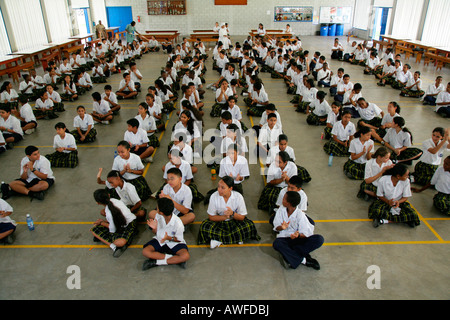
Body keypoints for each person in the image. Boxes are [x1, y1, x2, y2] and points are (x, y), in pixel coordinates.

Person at [197, 176, 260, 249]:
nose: (219, 190)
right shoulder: (214, 196)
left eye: (222, 188)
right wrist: (225, 217)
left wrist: (232, 214)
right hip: (220, 221)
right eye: (218, 187)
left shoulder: (238, 197)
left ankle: (218, 239)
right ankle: (237, 238)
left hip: (234, 220)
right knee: (204, 226)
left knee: (249, 225)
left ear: (230, 188)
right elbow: (211, 217)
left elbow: (242, 217)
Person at [272, 191, 323, 270]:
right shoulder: (281, 209)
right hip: (285, 238)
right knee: (277, 243)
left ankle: (290, 255)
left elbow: (306, 233)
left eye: (284, 199)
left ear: (289, 203)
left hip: (297, 239)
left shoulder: (300, 215)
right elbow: (276, 227)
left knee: (319, 239)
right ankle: (304, 260)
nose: (282, 200)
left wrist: (298, 235)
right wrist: (282, 227)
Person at [142, 197, 190, 270]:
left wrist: (168, 238)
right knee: (145, 251)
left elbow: (179, 239)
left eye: (157, 208)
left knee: (185, 256)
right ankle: (174, 259)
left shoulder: (178, 223)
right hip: (160, 241)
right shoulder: (158, 216)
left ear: (161, 212)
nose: (156, 208)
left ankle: (156, 262)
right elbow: (155, 232)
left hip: (174, 242)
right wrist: (154, 228)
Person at [369, 164, 420, 228]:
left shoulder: (406, 181)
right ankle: (404, 220)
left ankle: (384, 221)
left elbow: (405, 197)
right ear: (398, 176)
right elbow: (379, 195)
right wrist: (388, 202)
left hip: (399, 202)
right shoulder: (383, 180)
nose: (408, 177)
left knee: (413, 214)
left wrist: (398, 202)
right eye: (406, 175)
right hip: (385, 200)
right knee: (376, 211)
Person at [91, 189, 137, 258]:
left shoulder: (109, 213)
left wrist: (101, 223)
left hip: (125, 226)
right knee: (102, 213)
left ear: (98, 203)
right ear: (108, 195)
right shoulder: (115, 200)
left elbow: (113, 229)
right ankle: (129, 236)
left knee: (94, 229)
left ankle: (114, 247)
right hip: (133, 222)